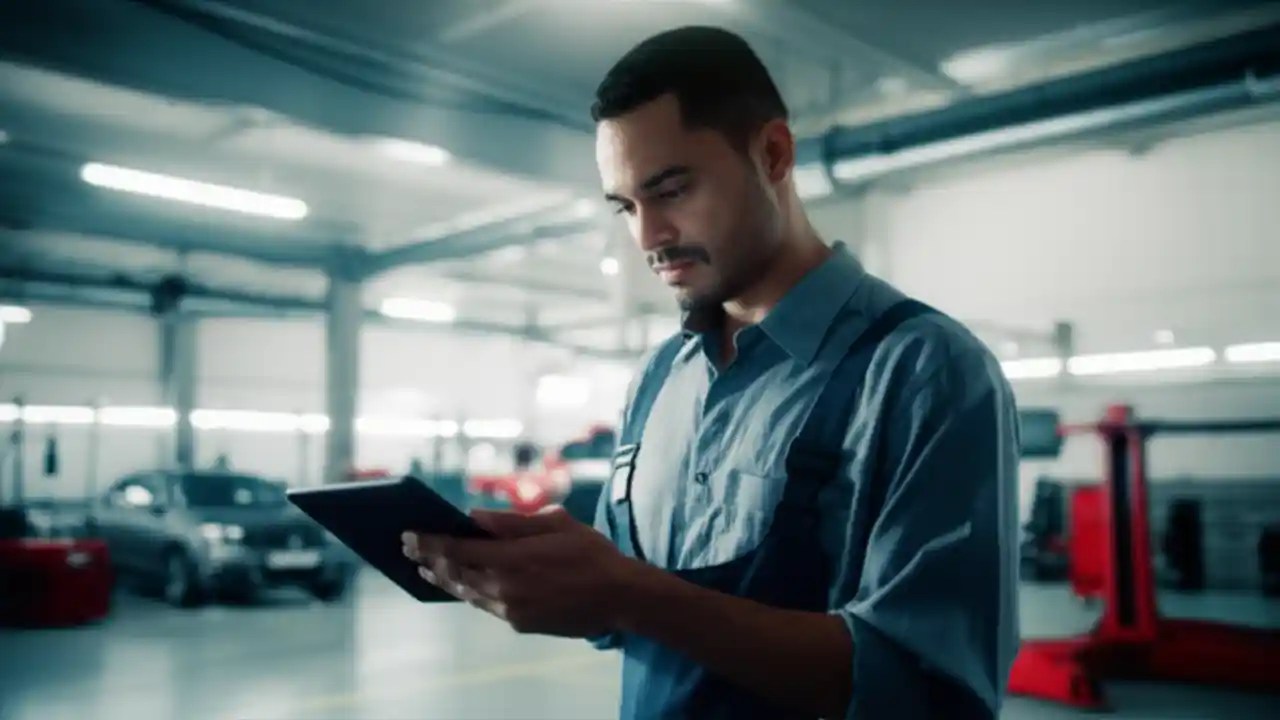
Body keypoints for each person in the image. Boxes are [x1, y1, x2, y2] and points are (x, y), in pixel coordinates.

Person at [402, 25, 1021, 719]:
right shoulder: (658, 380)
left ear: (773, 154)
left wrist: (628, 594)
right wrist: (559, 580)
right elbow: (624, 612)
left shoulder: (924, 372)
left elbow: (930, 691)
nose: (647, 237)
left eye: (671, 190)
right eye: (627, 206)